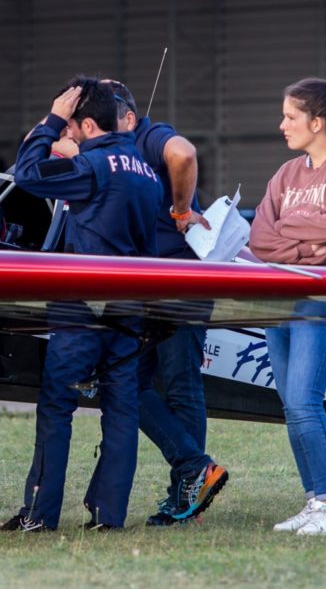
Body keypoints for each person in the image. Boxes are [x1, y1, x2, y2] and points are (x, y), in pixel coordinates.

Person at [0, 77, 161, 531]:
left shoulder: (92, 166)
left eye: (72, 125)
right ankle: (109, 516)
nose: (68, 133)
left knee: (56, 408)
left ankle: (39, 516)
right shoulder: (146, 169)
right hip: (131, 308)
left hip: (82, 308)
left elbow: (25, 174)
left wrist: (49, 121)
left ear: (87, 123)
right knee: (121, 411)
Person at [249, 77, 326, 536]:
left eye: (290, 116)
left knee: (304, 401)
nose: (282, 125)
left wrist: (299, 236)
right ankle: (312, 500)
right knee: (291, 404)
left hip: (323, 299)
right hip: (279, 297)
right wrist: (312, 247)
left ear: (317, 122)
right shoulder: (285, 174)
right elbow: (260, 239)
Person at [95, 80, 227, 527]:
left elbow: (184, 154)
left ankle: (187, 494)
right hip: (143, 289)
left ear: (128, 119)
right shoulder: (112, 148)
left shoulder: (148, 136)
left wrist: (180, 209)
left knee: (180, 384)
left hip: (179, 282)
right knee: (120, 381)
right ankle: (194, 472)